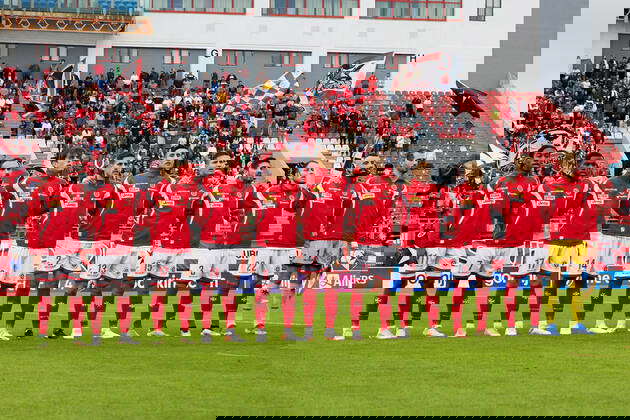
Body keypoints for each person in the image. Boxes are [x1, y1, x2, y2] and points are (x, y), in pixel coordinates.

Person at [541, 151, 598, 335]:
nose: (572, 166)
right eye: (568, 162)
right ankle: (550, 323)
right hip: (558, 241)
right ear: (559, 165)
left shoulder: (584, 185)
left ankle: (578, 324)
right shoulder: (550, 185)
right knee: (555, 282)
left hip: (579, 240)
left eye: (574, 163)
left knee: (577, 282)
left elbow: (591, 211)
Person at [493, 154, 550, 336]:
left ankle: (534, 325)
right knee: (513, 279)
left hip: (533, 235)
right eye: (528, 160)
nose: (531, 163)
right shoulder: (503, 181)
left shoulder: (535, 180)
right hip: (512, 236)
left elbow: (541, 205)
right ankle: (511, 326)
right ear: (519, 162)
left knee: (537, 279)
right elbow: (496, 207)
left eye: (531, 160)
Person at [396, 160, 447, 337]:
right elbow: (406, 208)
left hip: (432, 243)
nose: (425, 172)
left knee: (432, 284)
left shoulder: (436, 189)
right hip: (412, 243)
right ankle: (402, 326)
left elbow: (443, 210)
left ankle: (433, 326)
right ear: (415, 171)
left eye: (427, 169)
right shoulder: (407, 188)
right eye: (421, 169)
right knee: (407, 284)